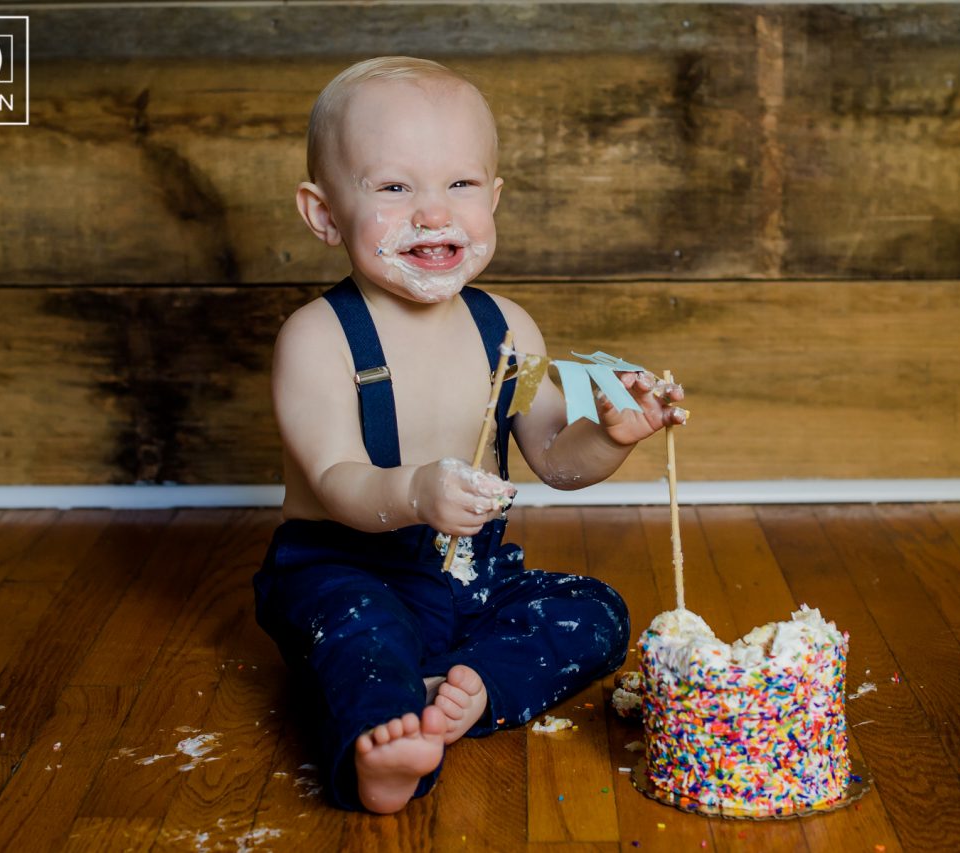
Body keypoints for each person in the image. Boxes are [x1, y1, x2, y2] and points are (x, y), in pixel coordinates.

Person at [252, 56, 687, 814]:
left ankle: (471, 688)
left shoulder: (506, 330)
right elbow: (335, 478)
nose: (432, 212)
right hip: (345, 569)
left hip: (467, 577)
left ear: (493, 198)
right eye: (394, 187)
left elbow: (554, 456)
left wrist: (613, 435)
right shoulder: (316, 339)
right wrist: (416, 490)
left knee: (597, 609)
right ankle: (382, 752)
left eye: (459, 185)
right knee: (361, 636)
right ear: (323, 214)